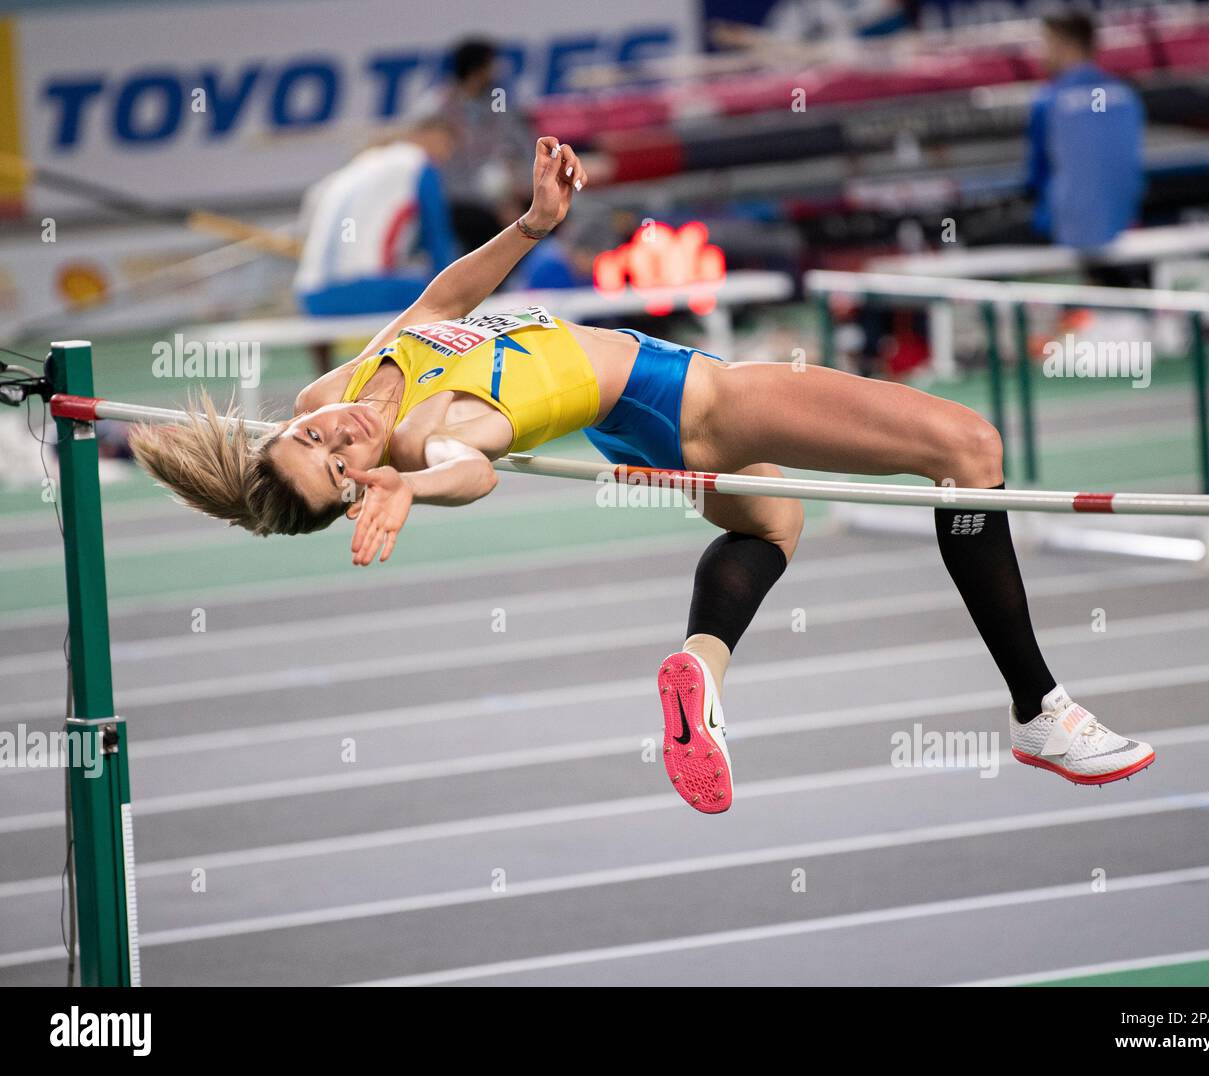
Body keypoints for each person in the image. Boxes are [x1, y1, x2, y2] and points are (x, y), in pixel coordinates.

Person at [130, 136, 1156, 815]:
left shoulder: (344, 386)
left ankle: (701, 671)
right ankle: (1040, 709)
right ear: (361, 487)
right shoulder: (434, 433)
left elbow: (442, 293)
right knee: (968, 450)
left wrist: (533, 228)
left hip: (628, 425)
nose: (336, 436)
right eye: (341, 462)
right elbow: (469, 470)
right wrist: (410, 483)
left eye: (312, 439)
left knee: (772, 526)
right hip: (689, 400)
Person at [293, 114, 459, 373]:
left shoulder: (360, 164)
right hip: (358, 288)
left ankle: (324, 381)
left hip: (310, 296)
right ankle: (433, 378)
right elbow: (438, 242)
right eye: (448, 145)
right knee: (447, 294)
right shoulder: (420, 165)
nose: (447, 155)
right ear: (429, 136)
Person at [1026, 10, 1145, 283]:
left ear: (1065, 45)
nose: (1042, 55)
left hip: (1071, 240)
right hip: (1127, 229)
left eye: (1046, 45)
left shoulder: (1049, 101)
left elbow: (1036, 178)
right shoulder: (1126, 96)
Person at [422, 38, 535, 254]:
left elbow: (515, 148)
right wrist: (496, 203)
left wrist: (509, 194)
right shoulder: (437, 108)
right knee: (484, 226)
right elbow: (449, 173)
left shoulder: (497, 102)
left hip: (497, 195)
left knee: (540, 214)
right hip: (457, 202)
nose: (496, 72)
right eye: (491, 66)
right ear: (478, 70)